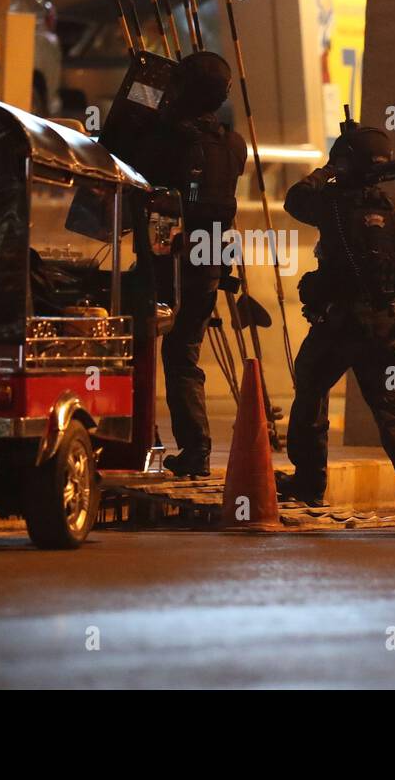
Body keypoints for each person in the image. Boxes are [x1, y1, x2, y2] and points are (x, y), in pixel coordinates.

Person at [280, 124, 395, 528]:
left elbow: (294, 199)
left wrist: (327, 170)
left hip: (338, 325)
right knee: (393, 411)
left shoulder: (333, 204)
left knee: (310, 390)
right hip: (383, 329)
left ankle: (309, 482)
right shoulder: (393, 213)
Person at [130, 51, 247, 478]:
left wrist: (145, 93)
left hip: (167, 261)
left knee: (133, 346)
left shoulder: (165, 140)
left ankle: (136, 439)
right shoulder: (234, 145)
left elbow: (125, 162)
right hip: (210, 261)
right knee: (183, 355)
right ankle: (195, 451)